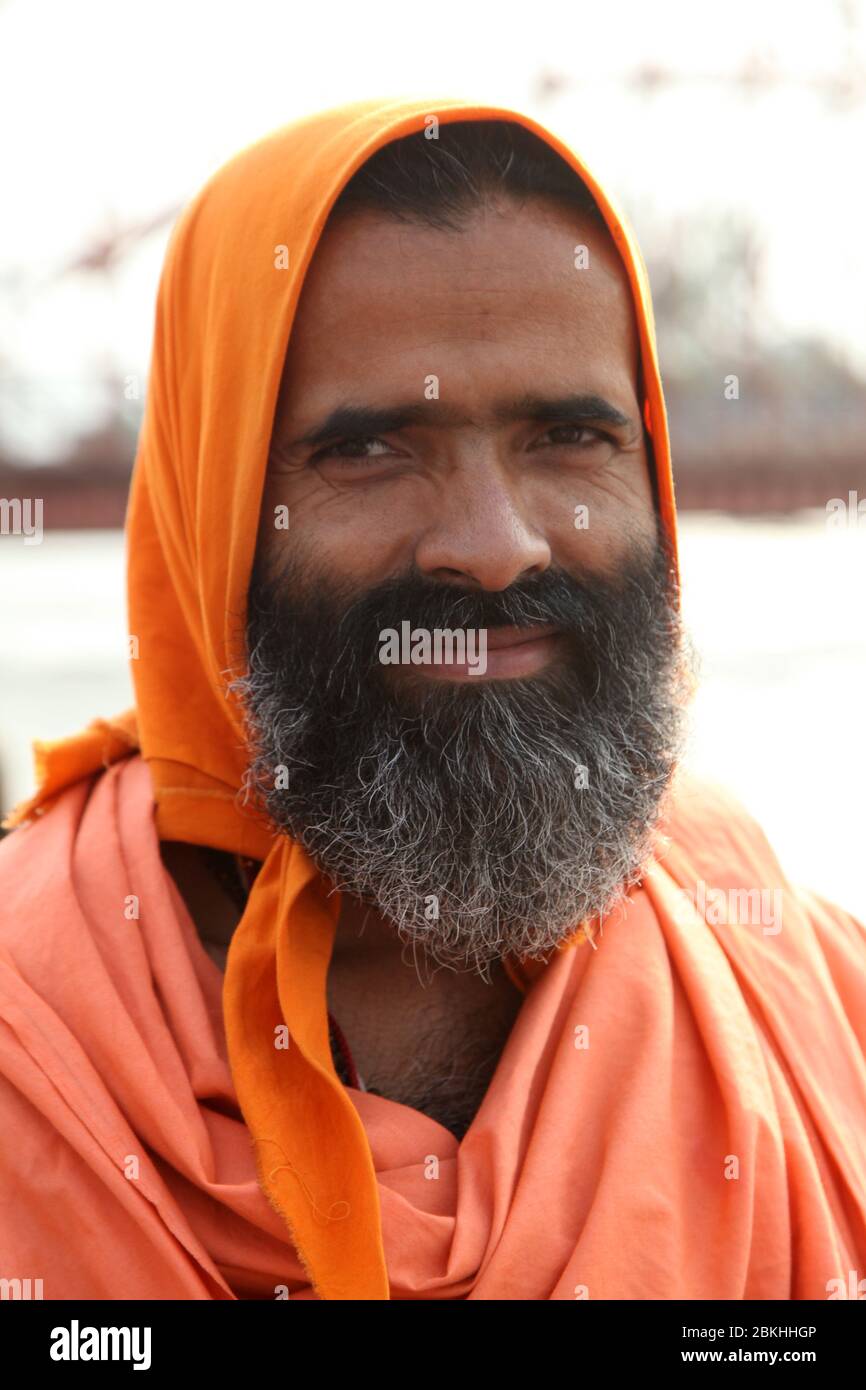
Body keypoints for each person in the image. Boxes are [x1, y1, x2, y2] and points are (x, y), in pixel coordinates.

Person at [1, 97, 864, 1302]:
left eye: (567, 435)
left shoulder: (785, 962)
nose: (497, 546)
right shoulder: (29, 1022)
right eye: (371, 448)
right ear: (215, 503)